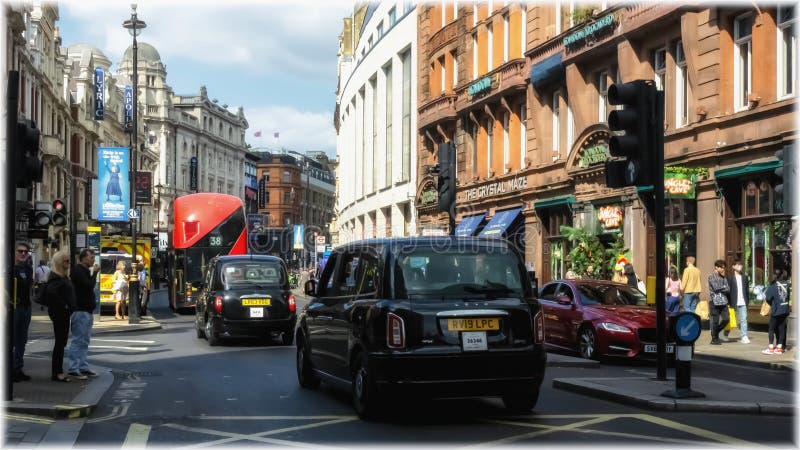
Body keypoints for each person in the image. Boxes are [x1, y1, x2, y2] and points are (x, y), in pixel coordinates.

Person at [67, 249, 99, 379]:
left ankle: (82, 366)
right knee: (78, 340)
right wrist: (95, 273)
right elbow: (88, 285)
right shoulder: (78, 271)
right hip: (80, 311)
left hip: (86, 311)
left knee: (84, 341)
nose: (93, 260)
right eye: (91, 257)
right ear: (83, 258)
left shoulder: (84, 271)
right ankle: (73, 368)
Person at [46, 250, 77, 382]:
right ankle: (57, 372)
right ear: (59, 262)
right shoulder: (56, 276)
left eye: (68, 261)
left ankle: (58, 371)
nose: (68, 263)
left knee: (62, 342)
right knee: (59, 343)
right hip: (60, 313)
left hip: (64, 313)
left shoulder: (63, 276)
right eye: (66, 261)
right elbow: (51, 292)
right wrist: (64, 305)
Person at [12, 242, 33, 382]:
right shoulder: (9, 268)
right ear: (15, 252)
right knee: (11, 340)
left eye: (26, 251)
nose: (23, 254)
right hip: (13, 308)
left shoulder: (29, 269)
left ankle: (18, 369)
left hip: (26, 308)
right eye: (20, 251)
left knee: (22, 340)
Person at [763, 269, 791, 355]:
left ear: (775, 275)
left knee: (771, 329)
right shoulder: (787, 284)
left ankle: (771, 347)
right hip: (785, 310)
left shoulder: (773, 286)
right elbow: (788, 295)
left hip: (776, 311)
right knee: (781, 329)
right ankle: (779, 348)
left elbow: (767, 298)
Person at [725, 259, 750, 344]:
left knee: (743, 320)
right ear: (733, 266)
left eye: (741, 265)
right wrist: (728, 303)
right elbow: (728, 292)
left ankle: (744, 336)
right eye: (738, 265)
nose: (740, 266)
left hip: (743, 302)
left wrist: (747, 302)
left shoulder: (745, 278)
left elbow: (747, 291)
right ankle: (725, 334)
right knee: (731, 321)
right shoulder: (730, 278)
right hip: (733, 302)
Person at [707, 259, 730, 345]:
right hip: (714, 302)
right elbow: (716, 288)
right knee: (715, 321)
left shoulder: (723, 277)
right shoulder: (711, 276)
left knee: (726, 319)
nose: (723, 269)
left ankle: (716, 333)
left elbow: (728, 289)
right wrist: (723, 287)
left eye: (724, 268)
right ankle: (714, 339)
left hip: (723, 301)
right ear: (716, 267)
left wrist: (722, 287)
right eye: (721, 267)